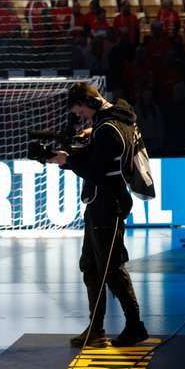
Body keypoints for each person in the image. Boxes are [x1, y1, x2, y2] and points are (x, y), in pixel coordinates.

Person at [46, 82, 148, 348]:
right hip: (101, 203)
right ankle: (96, 328)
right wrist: (74, 155)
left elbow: (98, 171)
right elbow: (98, 160)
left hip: (107, 204)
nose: (80, 117)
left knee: (111, 268)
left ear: (90, 103)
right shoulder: (115, 119)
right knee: (91, 266)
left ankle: (135, 326)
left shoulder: (108, 129)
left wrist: (67, 161)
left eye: (80, 111)